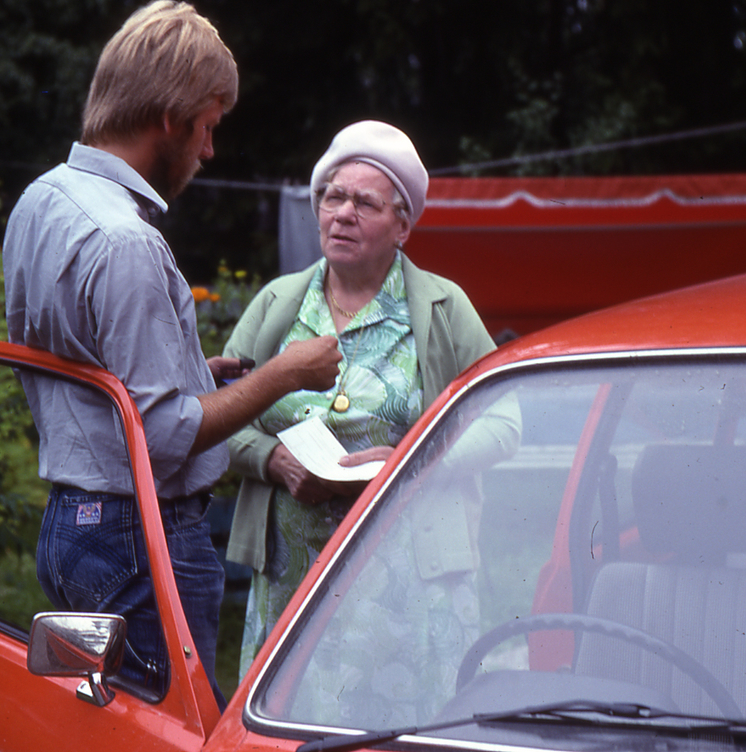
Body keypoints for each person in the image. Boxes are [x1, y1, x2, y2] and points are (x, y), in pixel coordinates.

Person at [1, 1, 342, 705]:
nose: (210, 150)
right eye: (209, 128)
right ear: (171, 117)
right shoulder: (127, 243)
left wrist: (192, 374)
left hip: (72, 529)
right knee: (170, 731)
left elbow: (81, 368)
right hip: (139, 539)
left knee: (95, 730)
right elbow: (158, 438)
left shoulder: (42, 201)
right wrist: (285, 374)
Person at [223, 120, 522, 679]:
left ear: (402, 225)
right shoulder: (276, 304)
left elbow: (505, 418)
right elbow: (219, 415)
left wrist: (410, 462)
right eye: (333, 197)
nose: (343, 213)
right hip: (294, 582)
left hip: (413, 587)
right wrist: (271, 460)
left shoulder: (442, 307)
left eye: (365, 203)